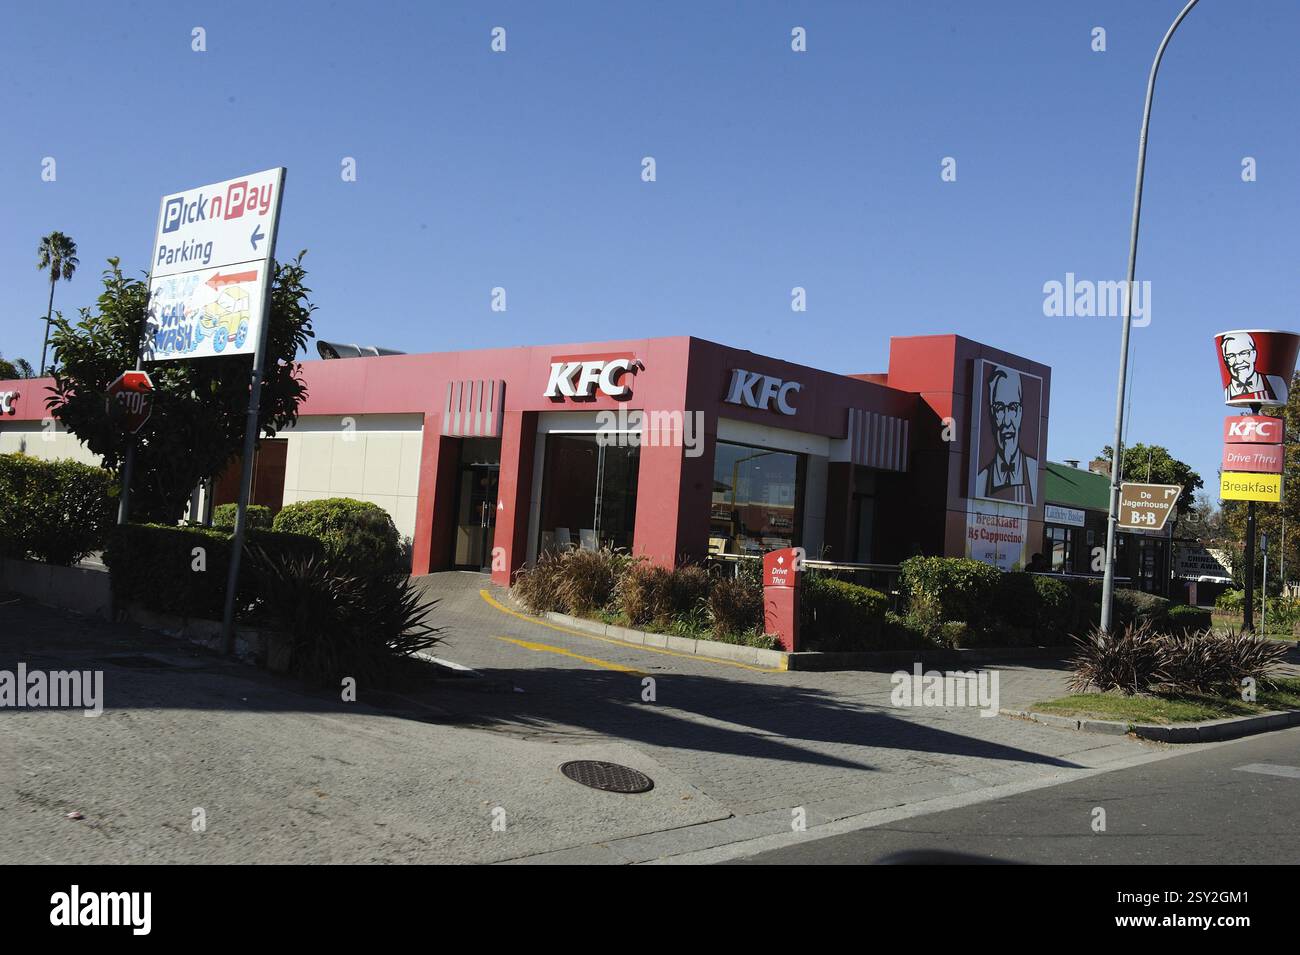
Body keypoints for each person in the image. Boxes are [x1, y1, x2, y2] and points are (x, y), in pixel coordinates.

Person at [975, 366, 1038, 504]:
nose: (1007, 421)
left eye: (1012, 408)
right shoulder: (980, 480)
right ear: (992, 413)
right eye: (1000, 409)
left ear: (1020, 412)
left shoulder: (1034, 472)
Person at [1221, 332, 1289, 404]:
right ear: (1225, 360)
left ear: (1254, 354)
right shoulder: (1227, 392)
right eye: (1231, 356)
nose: (1239, 361)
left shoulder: (1275, 384)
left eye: (1244, 353)